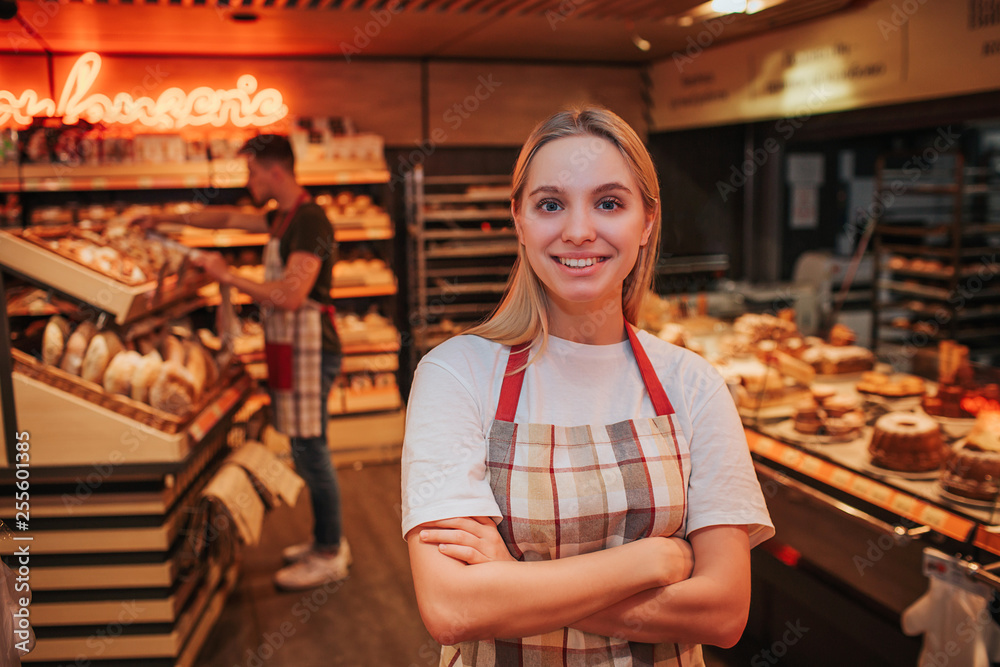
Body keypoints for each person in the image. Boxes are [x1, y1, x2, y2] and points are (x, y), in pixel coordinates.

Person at [400, 108, 774, 665]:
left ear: (647, 221)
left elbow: (722, 614)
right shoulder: (454, 374)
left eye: (609, 203)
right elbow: (454, 609)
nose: (578, 230)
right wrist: (653, 562)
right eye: (551, 204)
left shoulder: (693, 384)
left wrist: (513, 581)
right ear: (519, 221)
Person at [138, 134, 350, 591]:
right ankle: (323, 541)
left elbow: (292, 296)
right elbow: (225, 217)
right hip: (294, 347)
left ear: (275, 171)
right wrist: (165, 219)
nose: (247, 181)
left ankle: (331, 551)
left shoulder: (310, 220)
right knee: (303, 447)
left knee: (312, 451)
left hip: (313, 347)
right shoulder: (282, 218)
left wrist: (226, 275)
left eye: (250, 172)